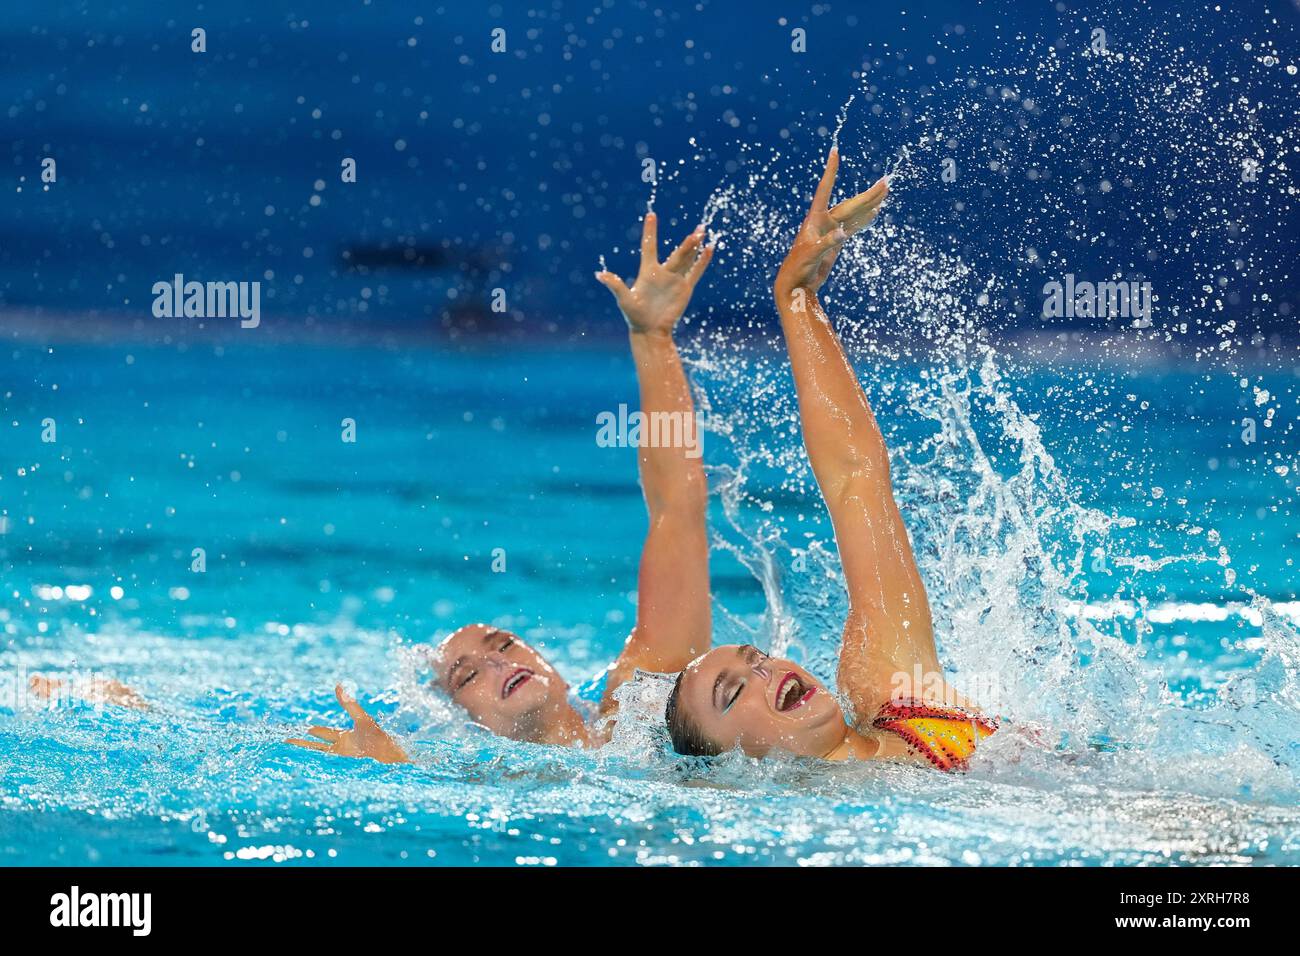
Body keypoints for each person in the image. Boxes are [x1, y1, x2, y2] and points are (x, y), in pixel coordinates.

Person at [287, 214, 717, 763]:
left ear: (556, 670)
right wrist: (401, 764)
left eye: (505, 645)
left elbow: (676, 511)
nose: (500, 665)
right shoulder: (467, 777)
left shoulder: (642, 709)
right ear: (464, 724)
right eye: (468, 677)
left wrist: (652, 339)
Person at [663, 148, 996, 771]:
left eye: (756, 659)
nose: (768, 672)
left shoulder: (897, 690)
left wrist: (797, 299)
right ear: (733, 765)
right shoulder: (790, 817)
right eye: (734, 691)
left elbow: (858, 481)